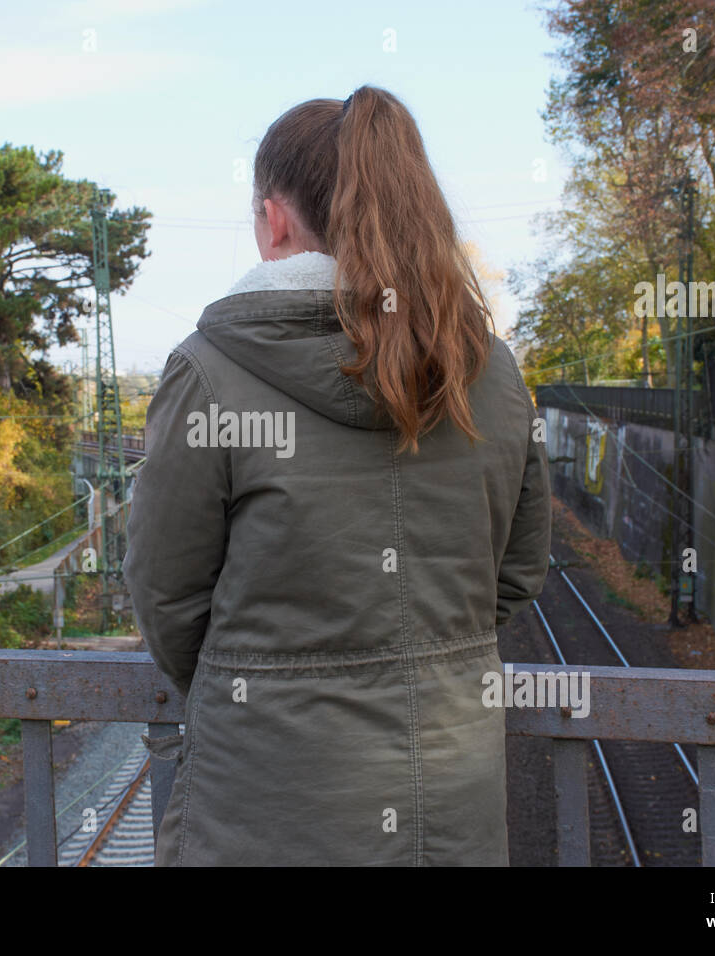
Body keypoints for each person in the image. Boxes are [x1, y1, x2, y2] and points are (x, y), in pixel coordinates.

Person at [122, 85, 551, 866]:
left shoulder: (210, 374)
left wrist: (256, 680)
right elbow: (516, 573)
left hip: (264, 807)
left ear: (275, 218)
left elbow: (164, 593)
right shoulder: (491, 374)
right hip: (448, 813)